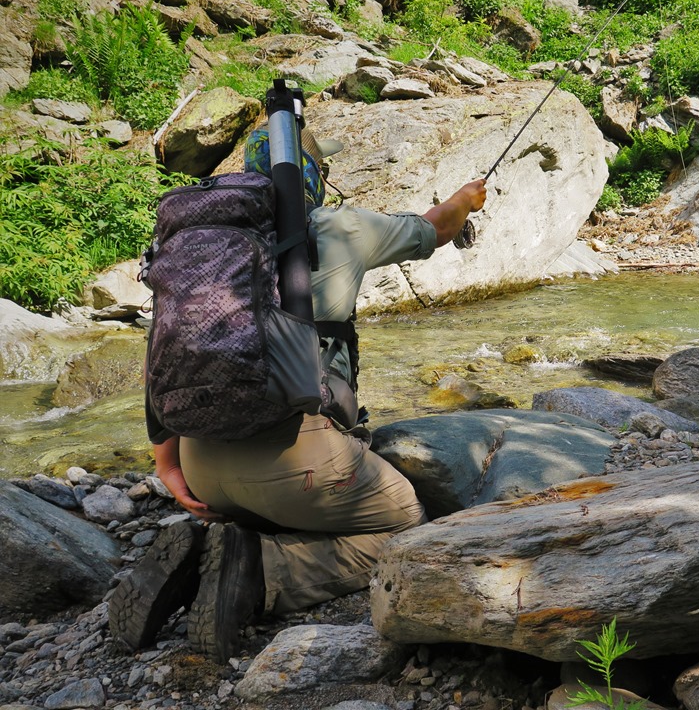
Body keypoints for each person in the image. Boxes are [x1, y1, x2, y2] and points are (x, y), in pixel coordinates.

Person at [109, 128, 487, 661]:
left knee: (270, 506)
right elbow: (439, 226)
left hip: (200, 467)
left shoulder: (203, 247)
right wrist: (466, 198)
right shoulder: (339, 226)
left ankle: (206, 554)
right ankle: (262, 573)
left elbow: (164, 350)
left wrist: (167, 465)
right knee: (404, 522)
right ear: (312, 176)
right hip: (298, 464)